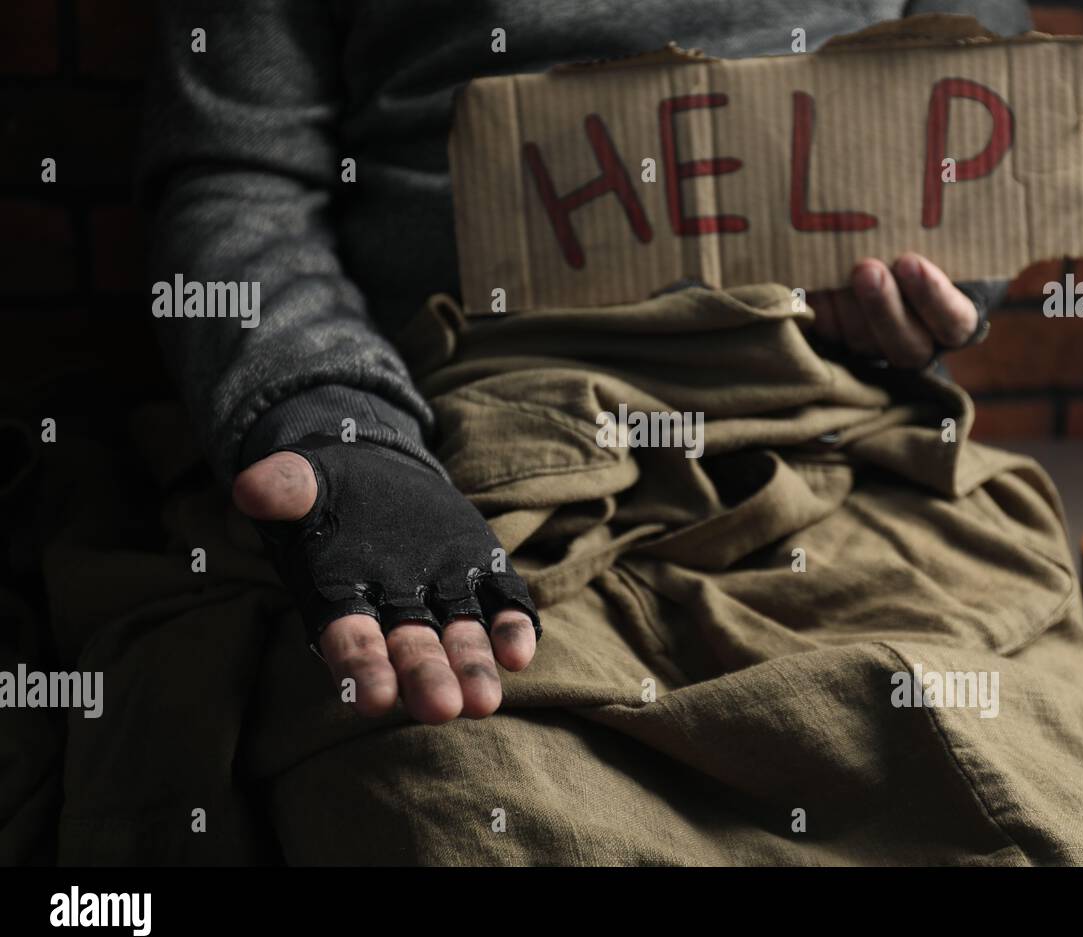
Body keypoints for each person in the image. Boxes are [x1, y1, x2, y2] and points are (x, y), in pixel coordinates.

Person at [140, 0, 1030, 727]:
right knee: (454, 790)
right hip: (456, 436)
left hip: (831, 428)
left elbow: (983, 128)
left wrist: (941, 286)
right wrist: (338, 417)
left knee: (970, 744)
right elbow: (236, 179)